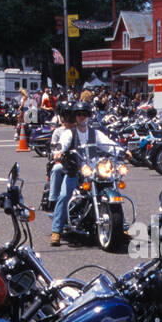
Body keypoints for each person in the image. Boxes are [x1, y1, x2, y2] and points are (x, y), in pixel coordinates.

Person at [50, 103, 121, 246]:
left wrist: (122, 150)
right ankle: (56, 230)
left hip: (94, 169)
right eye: (79, 114)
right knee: (65, 195)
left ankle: (120, 224)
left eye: (85, 114)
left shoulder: (95, 133)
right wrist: (58, 151)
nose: (82, 117)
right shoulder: (69, 133)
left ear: (89, 116)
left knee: (114, 184)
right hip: (75, 169)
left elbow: (108, 143)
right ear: (75, 117)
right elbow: (62, 144)